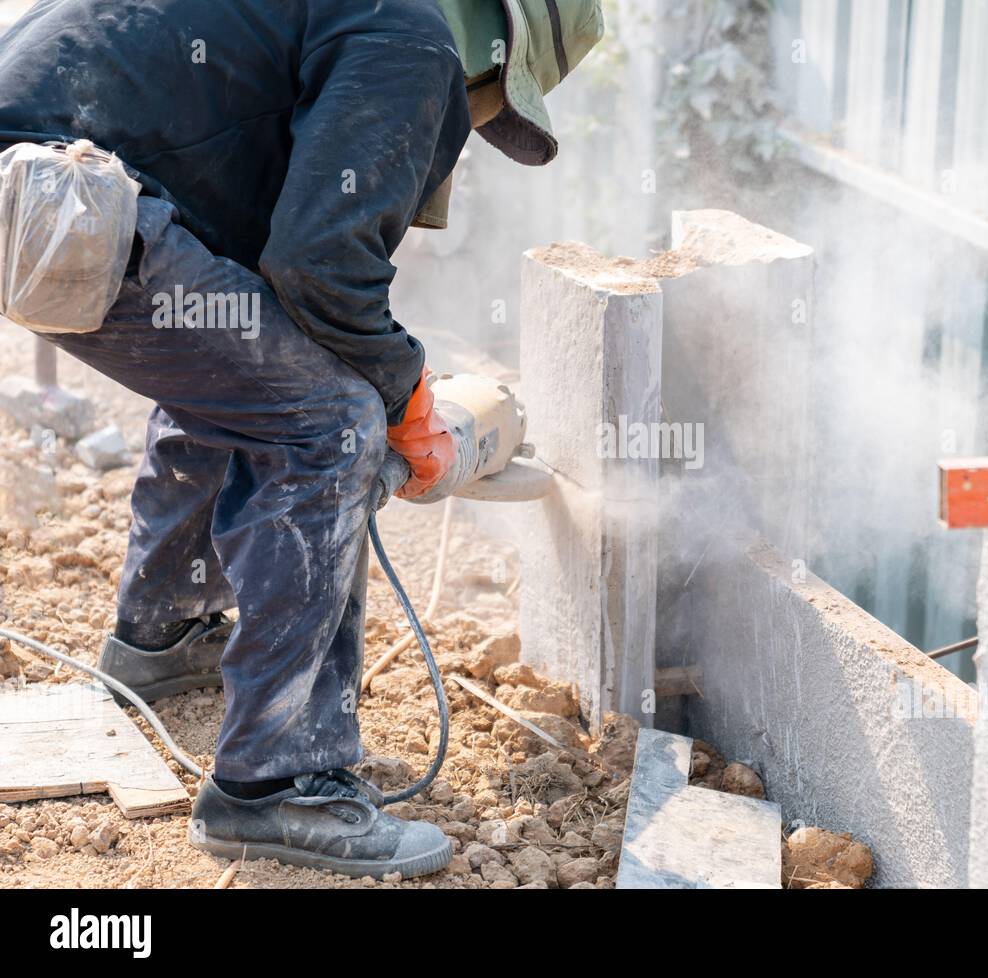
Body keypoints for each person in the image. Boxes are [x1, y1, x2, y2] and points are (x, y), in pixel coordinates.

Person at [0, 0, 602, 879]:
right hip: (62, 193)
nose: (469, 124)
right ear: (498, 50)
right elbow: (322, 267)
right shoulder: (413, 32)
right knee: (329, 424)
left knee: (250, 374)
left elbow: (268, 276)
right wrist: (405, 396)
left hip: (42, 186)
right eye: (491, 103)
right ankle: (277, 785)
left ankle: (161, 639)